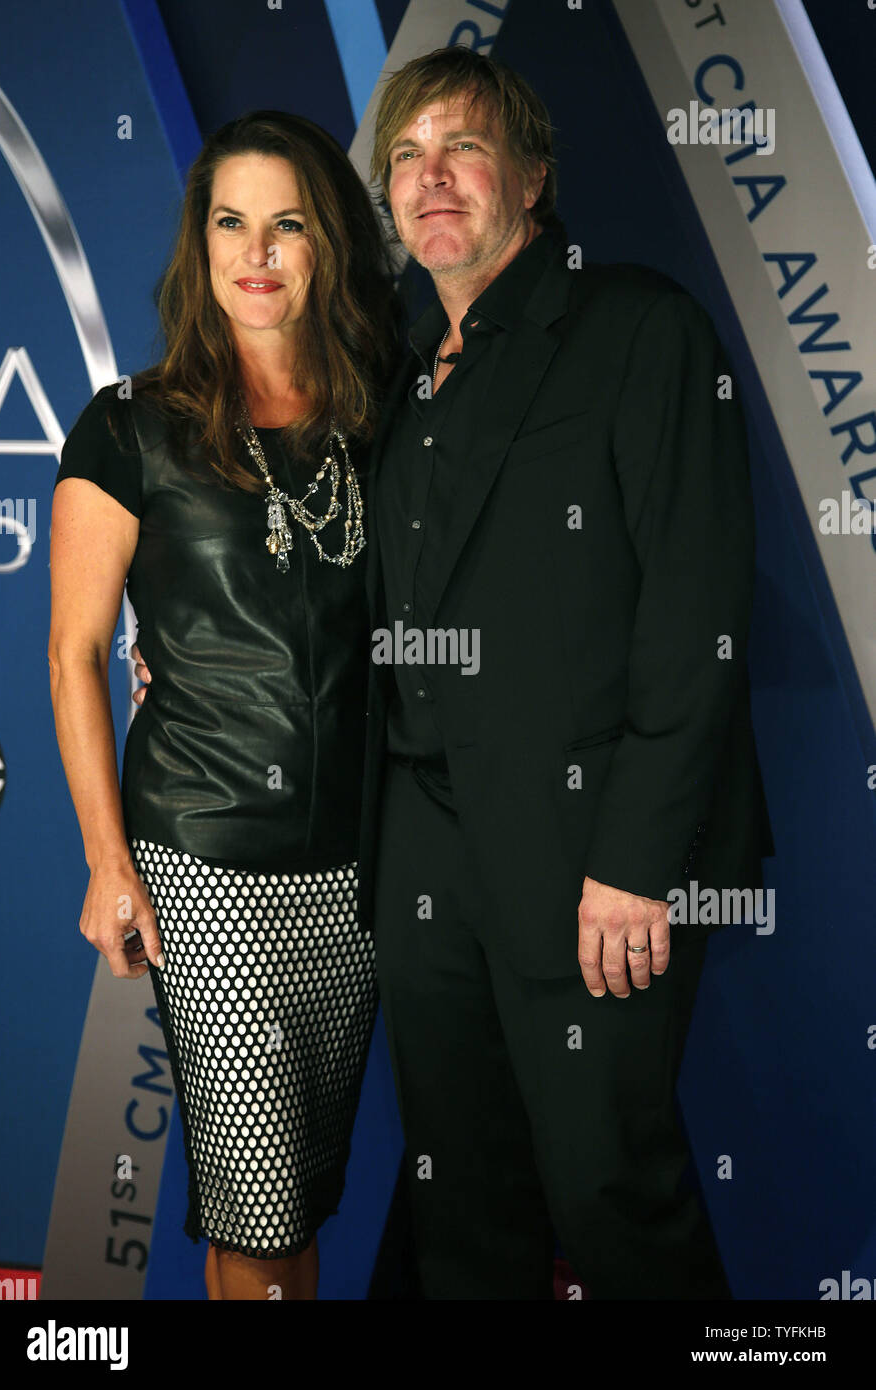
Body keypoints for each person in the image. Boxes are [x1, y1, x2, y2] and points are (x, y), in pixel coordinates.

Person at [353, 46, 774, 1298]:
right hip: (425, 847)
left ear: (530, 178)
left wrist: (637, 865)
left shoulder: (640, 330)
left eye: (462, 149)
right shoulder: (395, 373)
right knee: (464, 1203)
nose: (431, 179)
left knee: (607, 1194)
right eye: (407, 157)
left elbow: (697, 616)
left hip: (597, 851)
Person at [49, 110, 400, 1301]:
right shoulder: (129, 426)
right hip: (207, 867)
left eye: (286, 224)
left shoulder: (382, 415)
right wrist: (109, 863)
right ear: (200, 248)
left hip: (357, 865)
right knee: (253, 1208)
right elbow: (76, 651)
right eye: (230, 223)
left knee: (299, 1199)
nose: (256, 251)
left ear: (326, 246)